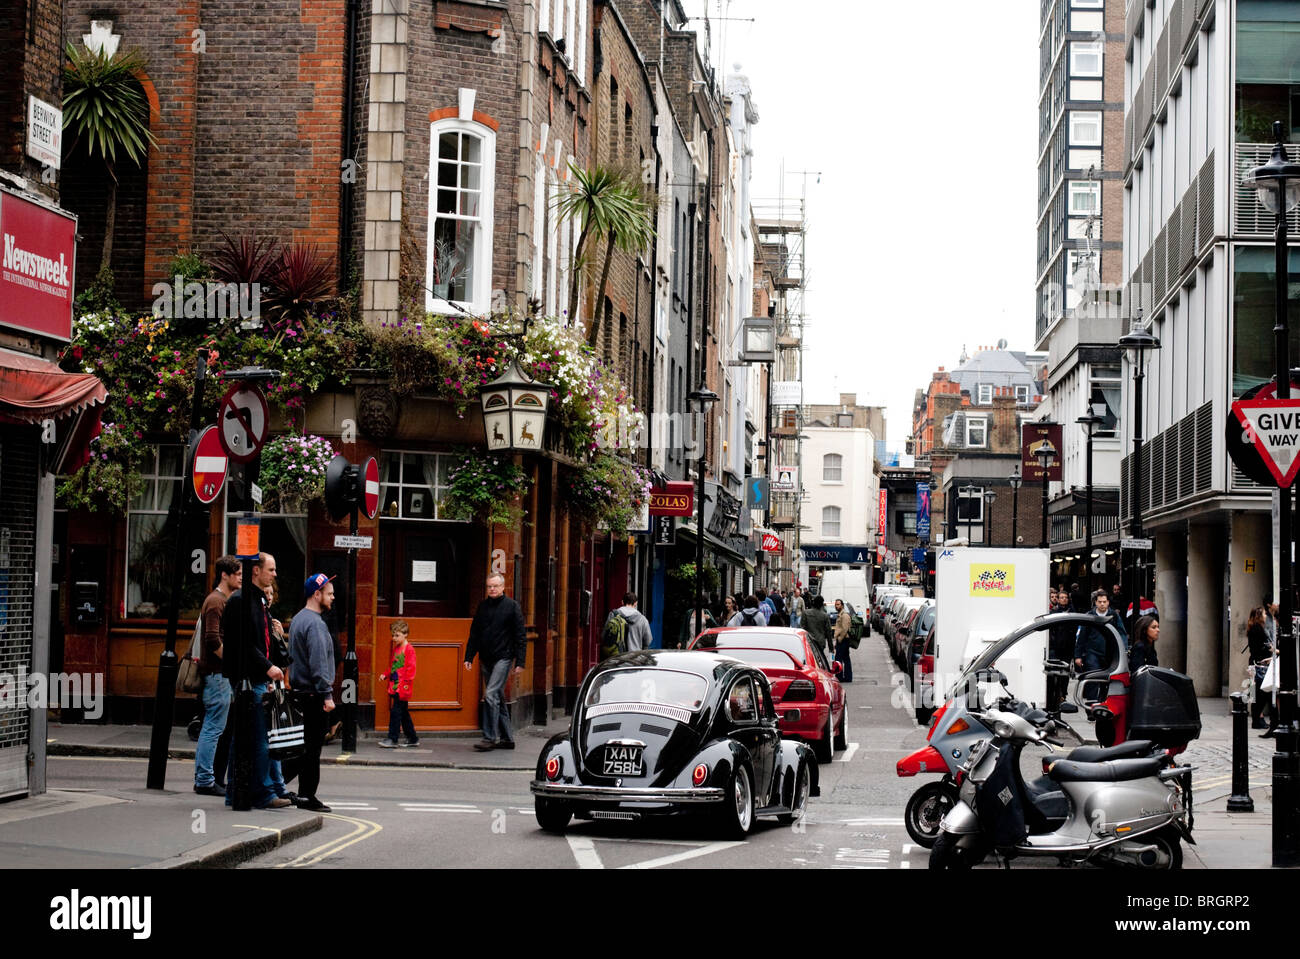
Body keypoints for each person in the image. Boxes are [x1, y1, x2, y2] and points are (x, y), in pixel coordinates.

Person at [221, 552, 292, 809]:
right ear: (256, 571)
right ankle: (263, 794)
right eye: (271, 570)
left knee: (242, 737)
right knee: (261, 739)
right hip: (247, 679)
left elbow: (261, 640)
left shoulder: (257, 599)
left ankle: (235, 792)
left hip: (257, 677)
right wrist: (268, 667)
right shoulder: (241, 600)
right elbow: (244, 644)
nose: (274, 574)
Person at [288, 573, 337, 812]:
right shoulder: (315, 624)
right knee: (311, 749)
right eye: (329, 593)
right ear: (316, 595)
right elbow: (319, 663)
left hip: (300, 691)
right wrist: (326, 695)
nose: (333, 597)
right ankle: (306, 796)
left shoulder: (298, 618)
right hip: (313, 694)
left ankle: (278, 787)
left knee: (301, 747)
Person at [463, 573, 527, 751]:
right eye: (489, 586)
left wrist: (520, 661)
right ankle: (507, 738)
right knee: (497, 696)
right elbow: (474, 633)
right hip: (486, 657)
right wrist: (469, 656)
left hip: (503, 658)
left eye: (495, 586)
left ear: (503, 587)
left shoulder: (512, 607)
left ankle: (489, 737)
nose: (492, 589)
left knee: (490, 695)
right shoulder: (482, 607)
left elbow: (520, 636)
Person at [194, 555, 241, 796]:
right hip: (217, 675)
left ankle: (205, 778)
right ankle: (204, 780)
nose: (241, 577)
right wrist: (233, 662)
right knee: (212, 728)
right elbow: (212, 639)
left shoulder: (222, 600)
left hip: (219, 675)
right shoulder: (216, 601)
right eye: (238, 573)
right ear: (225, 575)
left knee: (215, 728)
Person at [378, 620, 419, 748]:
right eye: (393, 635)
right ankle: (412, 738)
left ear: (405, 634)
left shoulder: (409, 650)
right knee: (403, 713)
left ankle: (392, 738)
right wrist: (385, 674)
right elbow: (393, 666)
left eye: (397, 635)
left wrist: (404, 687)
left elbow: (411, 670)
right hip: (395, 685)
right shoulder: (396, 649)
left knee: (396, 712)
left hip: (402, 687)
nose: (394, 638)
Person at [1074, 588, 1126, 674]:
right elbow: (1081, 637)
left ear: (1108, 602)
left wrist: (1124, 650)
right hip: (1092, 653)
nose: (1102, 604)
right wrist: (1078, 656)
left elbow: (1121, 633)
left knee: (1108, 680)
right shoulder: (1089, 616)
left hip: (1110, 654)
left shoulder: (1114, 616)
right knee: (1093, 677)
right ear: (1095, 602)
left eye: (1104, 602)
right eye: (1100, 602)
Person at [1246, 605, 1274, 732]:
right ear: (1259, 616)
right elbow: (1264, 647)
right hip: (1259, 665)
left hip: (1253, 664)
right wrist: (1272, 649)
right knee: (1260, 693)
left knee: (1254, 693)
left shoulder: (1252, 628)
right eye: (1263, 614)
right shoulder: (1258, 629)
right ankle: (1258, 719)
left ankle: (1257, 719)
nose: (1265, 616)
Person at [1046, 588, 1075, 709]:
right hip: (1055, 647)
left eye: (1065, 597)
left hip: (1067, 648)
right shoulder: (1053, 613)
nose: (1064, 599)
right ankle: (1053, 695)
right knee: (1053, 673)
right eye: (1061, 597)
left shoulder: (1072, 612)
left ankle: (1063, 694)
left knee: (1065, 673)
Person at [832, 598, 854, 682]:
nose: (836, 606)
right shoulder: (840, 614)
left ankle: (840, 677)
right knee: (845, 658)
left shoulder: (844, 615)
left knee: (839, 659)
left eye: (838, 604)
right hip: (842, 639)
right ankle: (847, 677)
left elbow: (845, 629)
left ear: (842, 605)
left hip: (843, 640)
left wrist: (840, 639)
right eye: (835, 604)